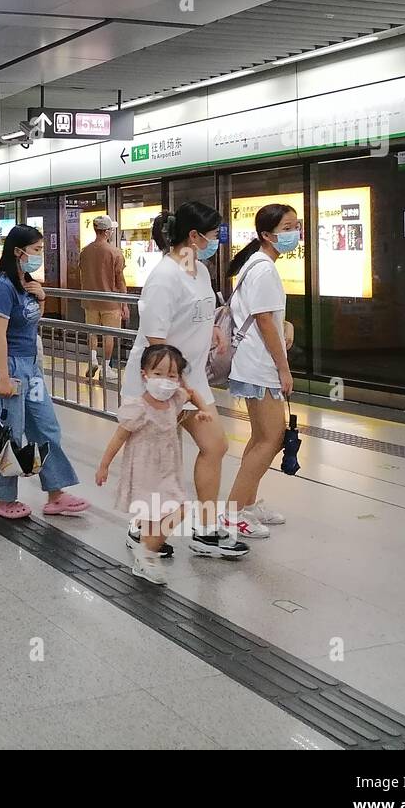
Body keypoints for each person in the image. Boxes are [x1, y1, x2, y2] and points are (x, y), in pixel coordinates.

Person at [121, 202, 248, 559]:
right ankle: (141, 528)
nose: (216, 242)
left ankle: (206, 528)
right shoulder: (163, 278)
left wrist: (212, 333)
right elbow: (155, 340)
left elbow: (198, 311)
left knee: (215, 445)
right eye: (212, 236)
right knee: (158, 461)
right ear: (193, 236)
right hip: (159, 383)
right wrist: (167, 390)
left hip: (189, 379)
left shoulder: (199, 269)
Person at [0, 224, 86, 520]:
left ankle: (56, 492)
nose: (40, 255)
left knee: (45, 426)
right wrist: (3, 377)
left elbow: (28, 323)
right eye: (36, 250)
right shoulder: (2, 287)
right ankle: (1, 499)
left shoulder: (25, 282)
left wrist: (41, 299)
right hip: (8, 366)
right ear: (18, 252)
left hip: (31, 366)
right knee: (10, 433)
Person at [96, 344, 215, 584]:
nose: (165, 381)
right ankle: (147, 557)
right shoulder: (138, 407)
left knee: (180, 509)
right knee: (152, 517)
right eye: (158, 374)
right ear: (145, 375)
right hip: (144, 471)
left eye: (172, 375)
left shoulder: (174, 399)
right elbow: (119, 437)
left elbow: (191, 393)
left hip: (168, 469)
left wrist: (203, 410)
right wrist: (104, 465)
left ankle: (146, 552)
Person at [225, 203, 299, 538]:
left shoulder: (256, 264)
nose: (294, 233)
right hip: (260, 366)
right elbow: (266, 322)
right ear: (266, 235)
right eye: (287, 228)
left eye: (295, 226)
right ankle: (233, 513)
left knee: (259, 438)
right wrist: (284, 369)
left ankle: (247, 504)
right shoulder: (264, 268)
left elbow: (268, 317)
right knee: (272, 439)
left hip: (252, 363)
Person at [78, 214, 127, 379]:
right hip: (110, 302)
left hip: (90, 301)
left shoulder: (84, 252)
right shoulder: (115, 253)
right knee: (109, 335)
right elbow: (120, 280)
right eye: (111, 229)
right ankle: (106, 368)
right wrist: (124, 304)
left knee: (92, 333)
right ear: (106, 232)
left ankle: (92, 359)